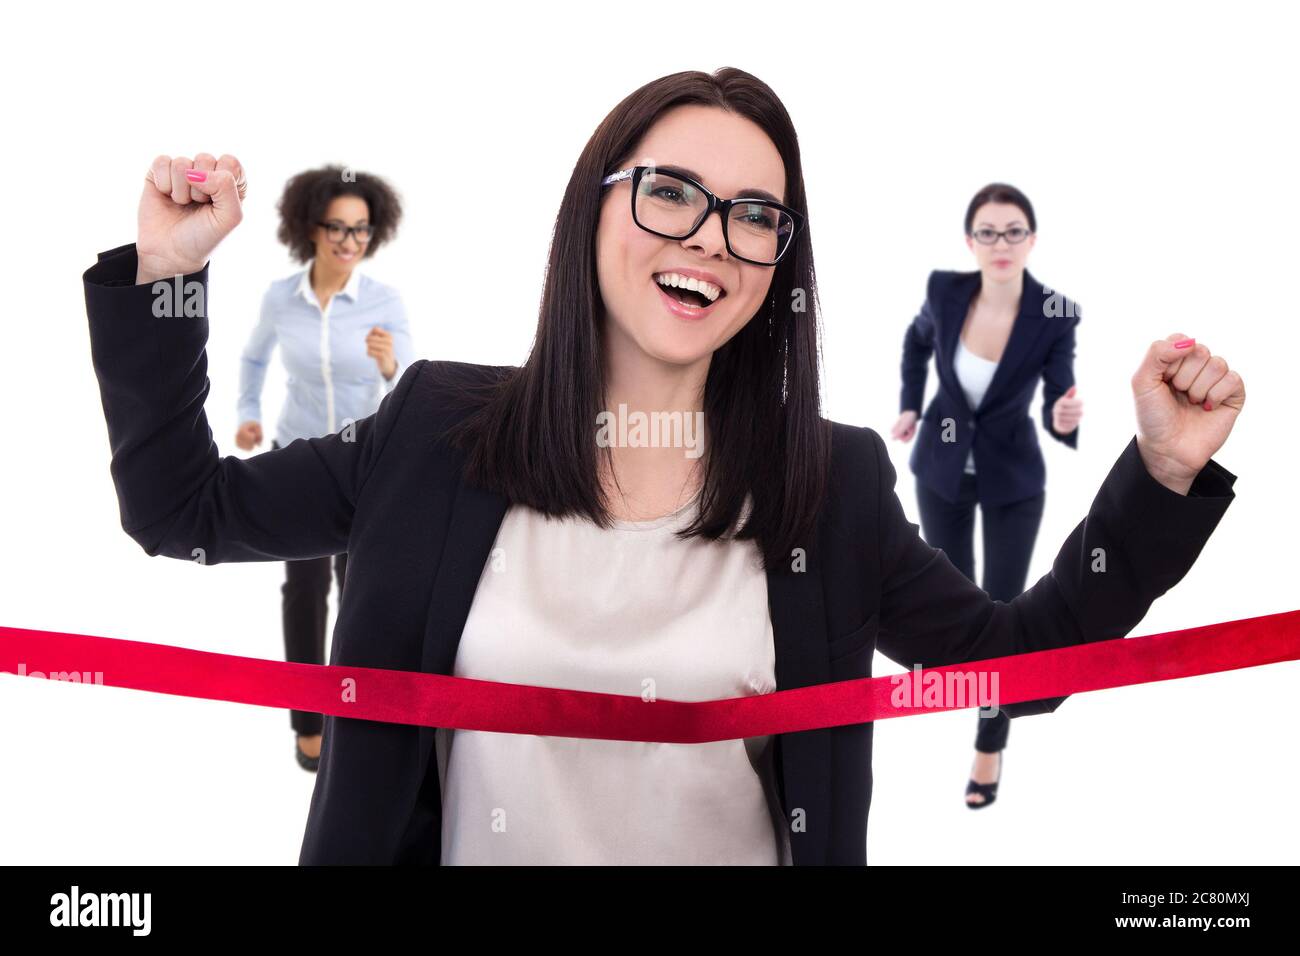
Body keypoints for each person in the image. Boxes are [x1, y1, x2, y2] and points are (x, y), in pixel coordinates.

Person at [83, 68, 1243, 865]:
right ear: (593, 208)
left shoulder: (828, 489)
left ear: (779, 265)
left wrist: (1158, 474)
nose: (708, 238)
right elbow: (180, 509)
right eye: (672, 192)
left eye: (753, 216)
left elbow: (1014, 669)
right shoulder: (433, 431)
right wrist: (166, 272)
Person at [891, 183, 1083, 808]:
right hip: (942, 470)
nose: (1001, 244)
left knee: (1003, 615)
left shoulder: (1055, 311)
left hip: (1011, 481)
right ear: (970, 241)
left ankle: (989, 743)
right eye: (988, 232)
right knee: (951, 597)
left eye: (1014, 231)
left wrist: (1065, 414)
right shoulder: (946, 292)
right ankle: (955, 688)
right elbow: (917, 341)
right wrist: (911, 407)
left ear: (1031, 239)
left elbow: (1060, 394)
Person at [232, 166, 414, 771]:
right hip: (301, 463)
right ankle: (308, 725)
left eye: (360, 230)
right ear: (310, 229)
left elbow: (413, 387)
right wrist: (249, 414)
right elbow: (254, 358)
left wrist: (391, 368)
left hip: (365, 464)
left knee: (362, 593)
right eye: (337, 227)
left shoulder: (384, 303)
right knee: (304, 591)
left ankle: (360, 718)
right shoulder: (282, 299)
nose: (348, 241)